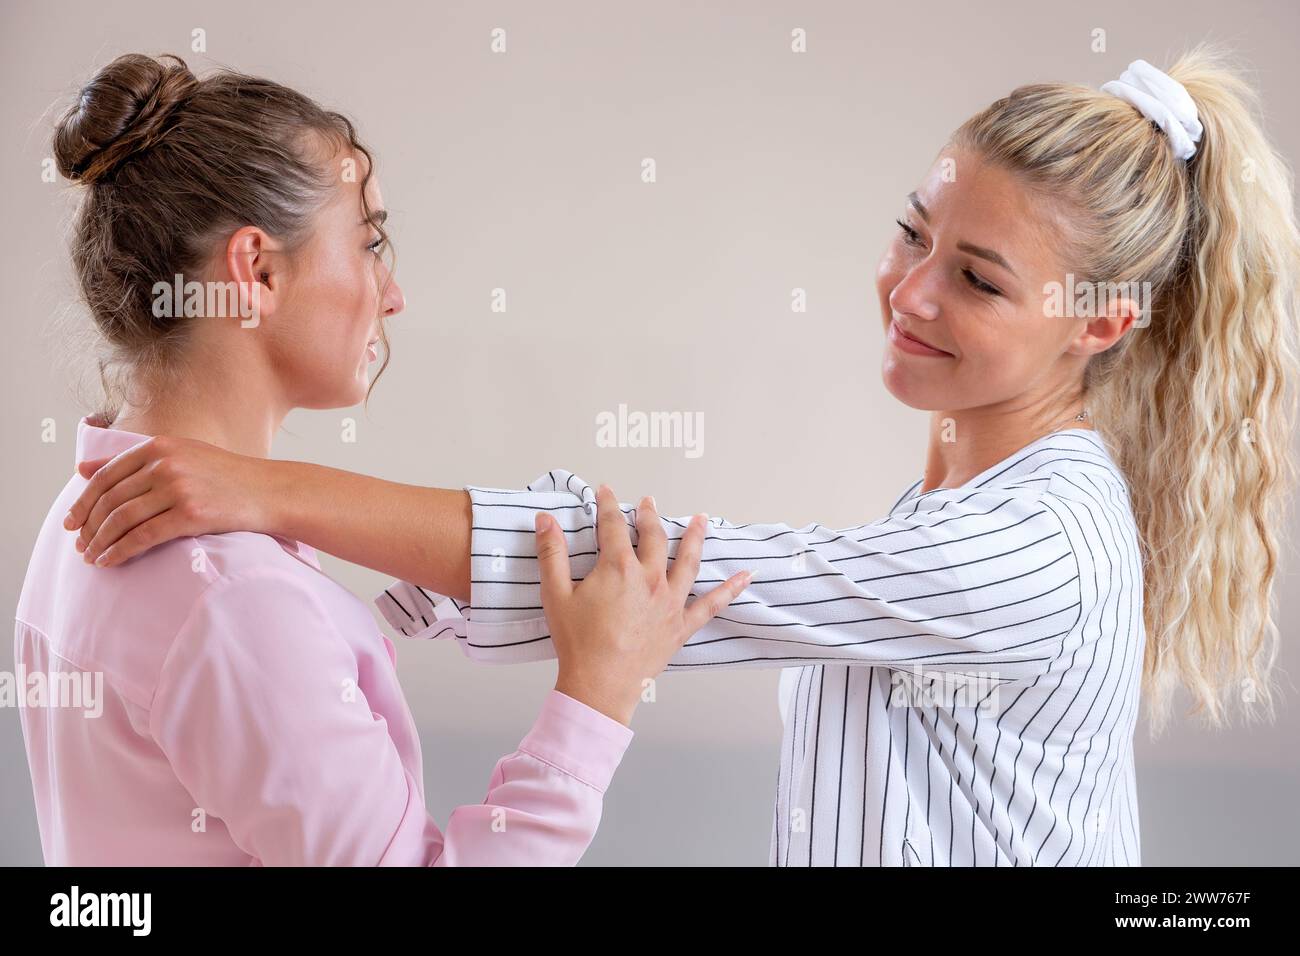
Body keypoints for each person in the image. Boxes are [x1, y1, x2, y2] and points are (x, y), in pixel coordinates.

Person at [67, 46, 1300, 865]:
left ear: (1101, 320)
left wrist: (262, 492)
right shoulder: (949, 507)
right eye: (913, 234)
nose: (910, 292)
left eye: (976, 279)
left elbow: (660, 583)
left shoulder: (1033, 547)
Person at [16, 52, 749, 866]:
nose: (393, 293)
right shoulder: (234, 601)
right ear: (255, 271)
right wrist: (597, 696)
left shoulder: (79, 514)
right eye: (369, 242)